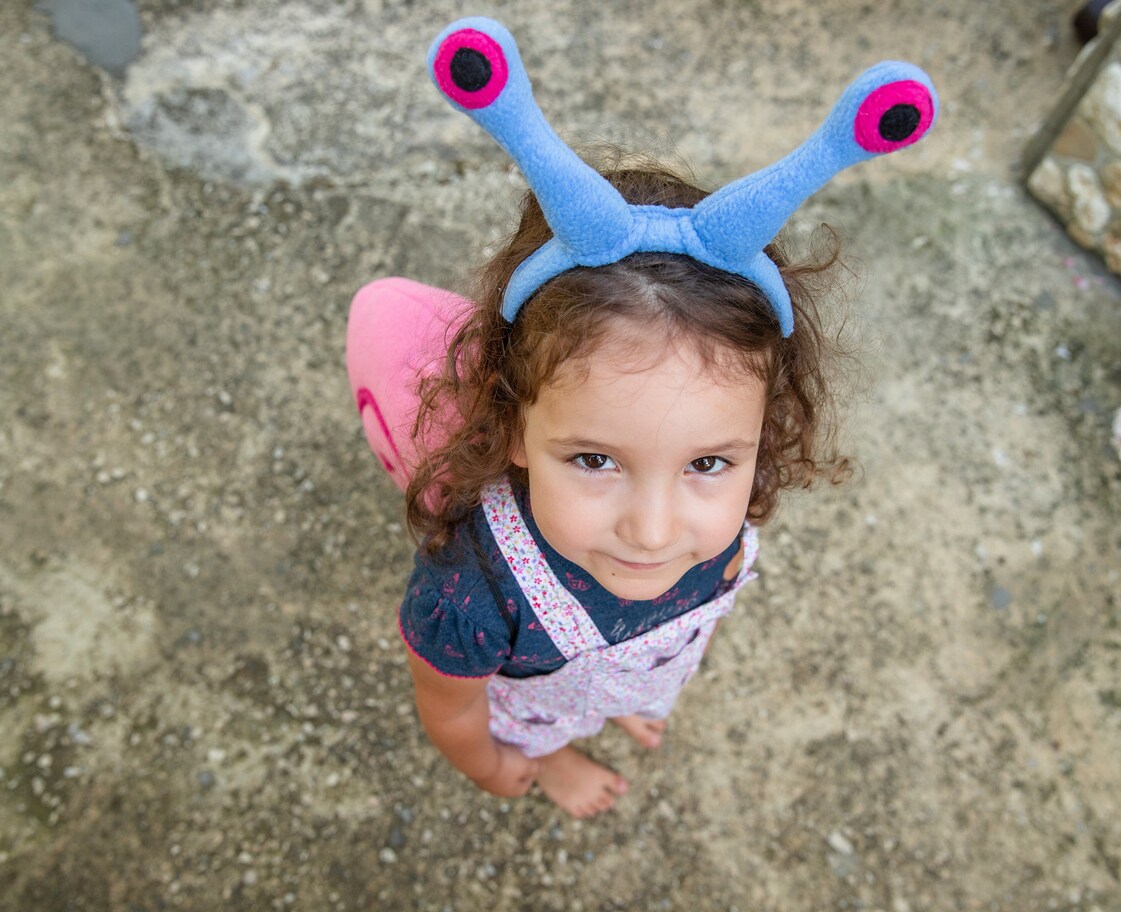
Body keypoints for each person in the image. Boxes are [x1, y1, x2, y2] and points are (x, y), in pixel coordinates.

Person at [345, 17, 937, 817]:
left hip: (622, 669)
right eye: (594, 460)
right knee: (545, 719)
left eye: (707, 463)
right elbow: (451, 709)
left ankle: (610, 692)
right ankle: (556, 749)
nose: (655, 534)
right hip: (535, 709)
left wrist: (633, 679)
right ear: (513, 423)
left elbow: (696, 615)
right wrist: (497, 765)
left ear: (761, 434)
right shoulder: (470, 596)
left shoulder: (719, 531)